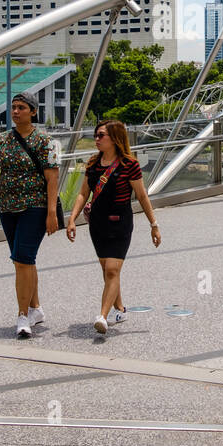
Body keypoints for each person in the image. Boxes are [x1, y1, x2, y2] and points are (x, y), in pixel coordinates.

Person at [0, 93, 59, 338]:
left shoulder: (44, 141)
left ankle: (22, 317)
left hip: (35, 206)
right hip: (8, 208)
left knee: (22, 259)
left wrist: (52, 212)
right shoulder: (1, 141)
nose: (16, 111)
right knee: (24, 261)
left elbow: (52, 177)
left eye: (21, 107)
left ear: (33, 111)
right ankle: (36, 308)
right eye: (13, 107)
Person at [67, 119, 161, 334]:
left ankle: (102, 316)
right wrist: (72, 219)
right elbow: (83, 193)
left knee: (111, 270)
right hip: (97, 225)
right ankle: (119, 307)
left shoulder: (130, 164)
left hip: (120, 223)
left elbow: (141, 195)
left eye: (101, 135)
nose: (97, 139)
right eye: (96, 135)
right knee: (107, 269)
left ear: (115, 138)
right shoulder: (92, 164)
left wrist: (153, 224)